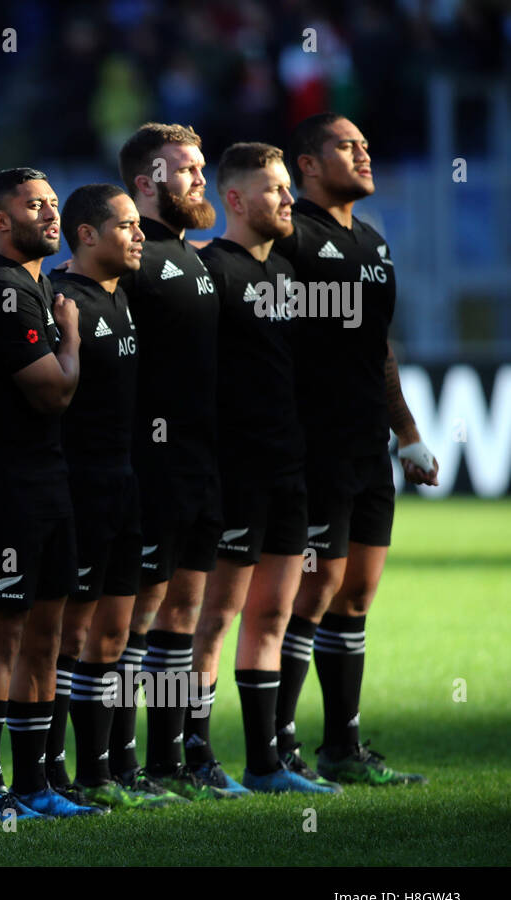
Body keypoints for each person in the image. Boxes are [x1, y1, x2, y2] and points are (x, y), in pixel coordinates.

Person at [275, 113, 434, 786]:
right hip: (314, 447)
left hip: (369, 444)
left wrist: (408, 433)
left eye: (367, 144)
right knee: (309, 595)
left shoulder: (372, 241)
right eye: (348, 145)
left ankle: (342, 746)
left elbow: (379, 349)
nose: (365, 154)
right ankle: (274, 750)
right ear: (308, 164)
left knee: (357, 595)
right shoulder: (289, 238)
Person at [192, 142, 338, 794]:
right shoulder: (210, 272)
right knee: (216, 616)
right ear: (236, 199)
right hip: (233, 473)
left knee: (272, 617)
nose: (287, 200)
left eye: (287, 188)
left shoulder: (285, 273)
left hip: (288, 469)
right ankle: (192, 754)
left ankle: (265, 764)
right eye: (275, 189)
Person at [105, 123, 245, 799]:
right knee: (136, 616)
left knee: (184, 614)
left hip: (199, 460)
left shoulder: (198, 258)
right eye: (185, 169)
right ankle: (120, 764)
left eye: (200, 168)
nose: (199, 178)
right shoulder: (131, 261)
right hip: (148, 463)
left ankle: (173, 759)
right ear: (145, 183)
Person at [0, 168, 100, 821]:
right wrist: (70, 335)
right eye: (32, 204)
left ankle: (35, 782)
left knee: (46, 637)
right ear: (0, 219)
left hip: (49, 480)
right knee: (2, 636)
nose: (49, 212)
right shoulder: (2, 289)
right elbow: (53, 391)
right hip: (5, 485)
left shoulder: (39, 286)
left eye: (52, 203)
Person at [48, 184, 185, 810]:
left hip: (126, 483)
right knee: (67, 636)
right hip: (77, 487)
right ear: (86, 234)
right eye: (127, 226)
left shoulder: (123, 295)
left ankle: (105, 774)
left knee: (118, 635)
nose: (138, 235)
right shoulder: (60, 300)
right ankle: (48, 774)